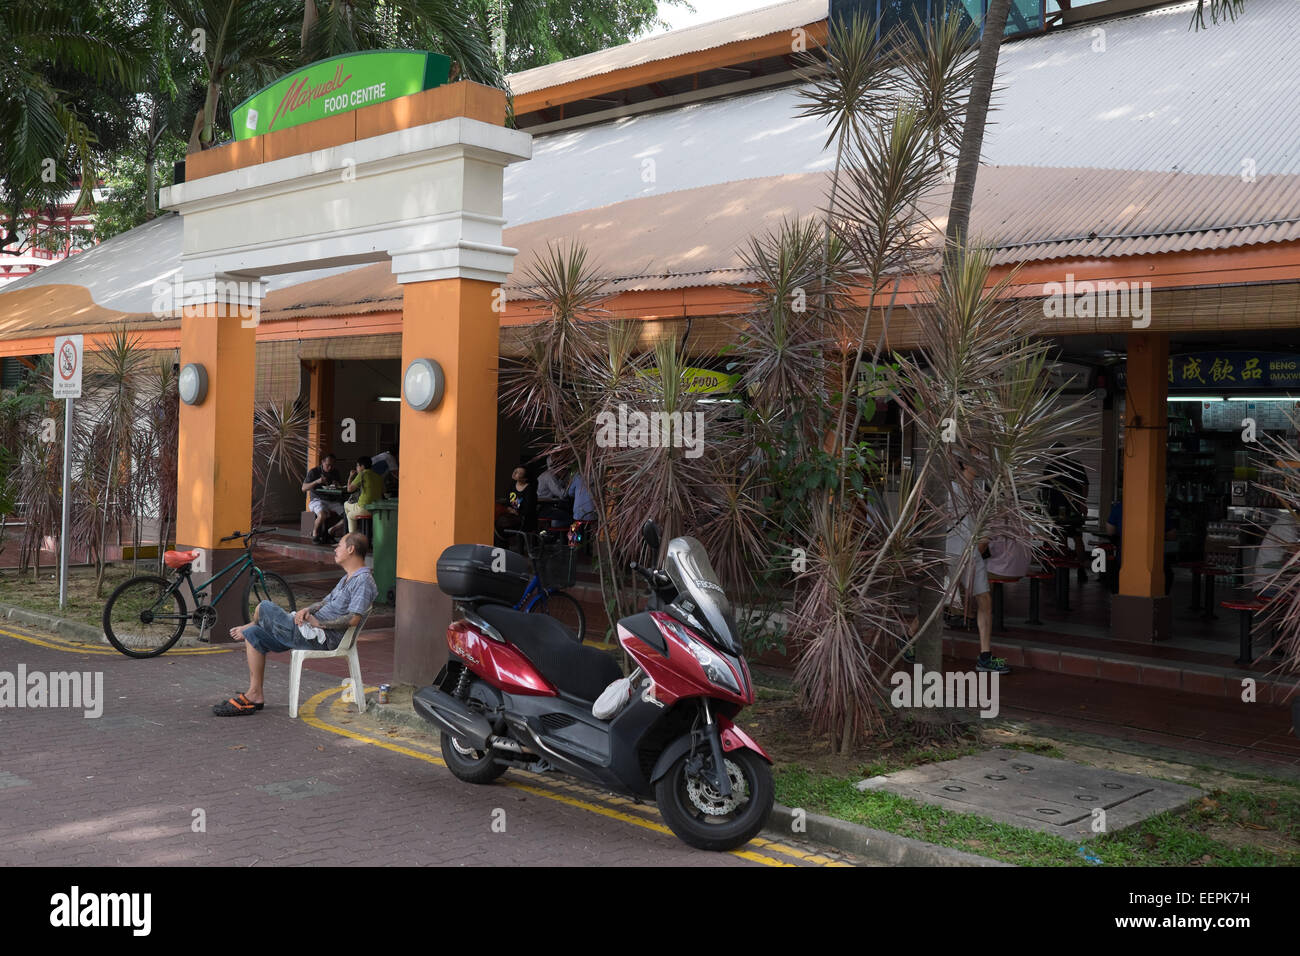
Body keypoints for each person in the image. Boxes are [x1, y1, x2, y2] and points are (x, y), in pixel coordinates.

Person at [214, 533, 377, 716]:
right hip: (307, 629)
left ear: (350, 549)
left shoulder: (363, 581)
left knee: (264, 606)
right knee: (254, 636)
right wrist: (307, 610)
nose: (335, 549)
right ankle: (255, 694)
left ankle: (251, 624)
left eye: (339, 545)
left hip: (321, 638)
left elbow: (354, 619)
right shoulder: (347, 578)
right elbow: (324, 602)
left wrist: (320, 624)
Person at [948, 454, 1010, 674]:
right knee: (940, 604)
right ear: (965, 464)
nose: (983, 461)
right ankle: (909, 637)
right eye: (977, 458)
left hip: (971, 554)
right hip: (952, 554)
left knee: (984, 599)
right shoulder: (951, 491)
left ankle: (985, 655)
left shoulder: (977, 493)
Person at [1043, 443, 1089, 581]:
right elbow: (1045, 490)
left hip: (1073, 508)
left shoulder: (1075, 466)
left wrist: (1082, 502)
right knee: (1064, 537)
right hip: (1057, 508)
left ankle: (1080, 567)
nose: (1055, 458)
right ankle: (1065, 566)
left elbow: (1084, 485)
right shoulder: (1049, 469)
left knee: (1076, 537)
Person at [302, 451, 346, 545]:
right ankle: (315, 534)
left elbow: (339, 487)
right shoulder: (314, 472)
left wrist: (337, 485)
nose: (330, 468)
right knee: (322, 514)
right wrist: (317, 481)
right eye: (328, 465)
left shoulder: (335, 472)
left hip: (332, 500)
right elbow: (304, 488)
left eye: (332, 465)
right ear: (322, 462)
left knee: (348, 515)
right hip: (317, 499)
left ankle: (331, 531)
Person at [495, 466, 537, 541]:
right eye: (515, 470)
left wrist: (517, 512)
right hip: (511, 516)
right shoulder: (512, 485)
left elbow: (528, 509)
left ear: (525, 479)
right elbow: (508, 501)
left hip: (523, 519)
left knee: (500, 524)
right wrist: (509, 509)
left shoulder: (529, 489)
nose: (515, 473)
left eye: (519, 473)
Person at [345, 455, 384, 533]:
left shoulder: (362, 474)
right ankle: (358, 528)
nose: (356, 468)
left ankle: (352, 537)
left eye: (357, 466)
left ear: (362, 466)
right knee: (352, 511)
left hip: (364, 507)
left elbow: (349, 489)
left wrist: (350, 476)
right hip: (376, 508)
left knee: (347, 507)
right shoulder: (378, 476)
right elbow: (383, 491)